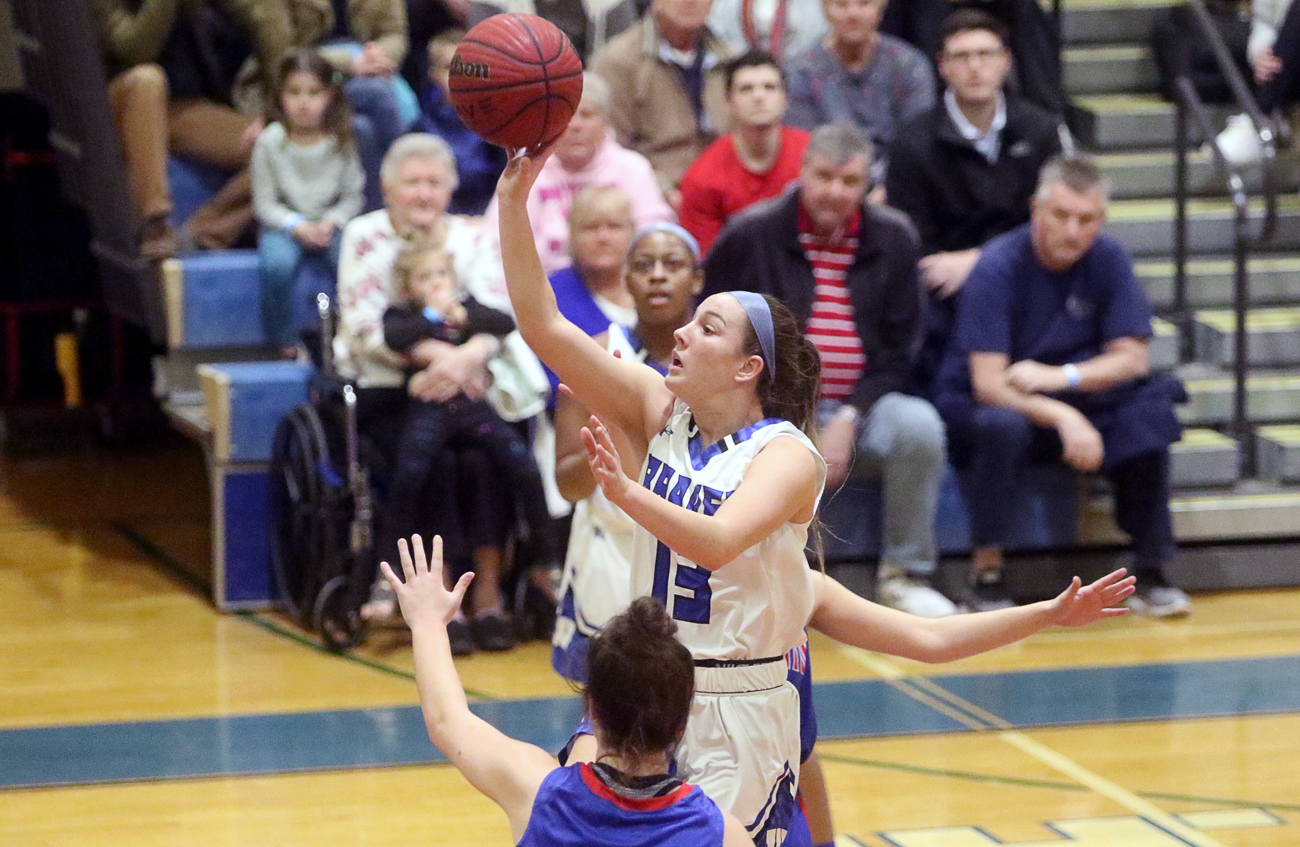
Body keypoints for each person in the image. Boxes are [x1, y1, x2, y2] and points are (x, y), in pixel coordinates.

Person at [704, 122, 957, 619]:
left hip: (863, 406)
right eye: (824, 177)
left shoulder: (895, 237)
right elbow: (713, 325)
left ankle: (904, 575)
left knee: (919, 426)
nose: (835, 192)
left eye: (849, 182)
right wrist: (795, 418)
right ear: (801, 173)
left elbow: (899, 351)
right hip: (765, 405)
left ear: (866, 186)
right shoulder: (751, 233)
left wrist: (848, 416)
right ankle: (753, 577)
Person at [931, 155, 1193, 619]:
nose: (1072, 231)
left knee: (1148, 414)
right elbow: (988, 383)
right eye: (1061, 216)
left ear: (1101, 220)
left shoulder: (1109, 259)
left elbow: (1132, 358)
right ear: (1036, 210)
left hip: (1074, 391)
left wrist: (1064, 379)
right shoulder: (997, 265)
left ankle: (1151, 570)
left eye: (1086, 220)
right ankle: (987, 572)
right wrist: (1064, 416)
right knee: (1000, 427)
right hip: (1002, 401)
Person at [383, 534, 753, 846]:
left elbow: (446, 721)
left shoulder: (540, 794)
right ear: (683, 722)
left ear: (591, 709)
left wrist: (427, 622)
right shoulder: (721, 832)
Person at [334, 133, 513, 640]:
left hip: (466, 382)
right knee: (438, 462)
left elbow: (499, 315)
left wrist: (465, 360)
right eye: (411, 182)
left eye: (434, 182)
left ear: (451, 188)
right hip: (388, 387)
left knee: (484, 459)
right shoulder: (364, 235)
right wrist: (441, 358)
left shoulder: (472, 236)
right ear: (387, 188)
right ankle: (442, 600)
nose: (423, 193)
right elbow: (363, 329)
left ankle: (489, 596)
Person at [367, 238, 555, 651]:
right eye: (425, 277)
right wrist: (434, 315)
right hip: (430, 408)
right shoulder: (406, 315)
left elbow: (503, 322)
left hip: (472, 410)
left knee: (522, 465)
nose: (436, 283)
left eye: (441, 274)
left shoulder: (467, 311)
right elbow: (395, 335)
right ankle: (386, 573)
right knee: (411, 473)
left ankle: (545, 562)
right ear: (409, 288)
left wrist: (463, 324)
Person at [886, 9, 1061, 395]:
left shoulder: (1040, 130)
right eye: (962, 57)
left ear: (1006, 61)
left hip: (1025, 273)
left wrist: (982, 260)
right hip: (941, 283)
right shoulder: (912, 142)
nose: (975, 67)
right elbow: (908, 233)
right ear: (943, 66)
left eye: (986, 54)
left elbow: (1050, 220)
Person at [479, 73, 673, 275]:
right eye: (564, 116)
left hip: (620, 280)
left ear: (606, 122)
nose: (575, 126)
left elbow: (652, 238)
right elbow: (498, 244)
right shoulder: (526, 169)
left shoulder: (633, 168)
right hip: (541, 283)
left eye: (586, 115)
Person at [252, 48, 365, 353]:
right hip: (286, 224)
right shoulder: (270, 141)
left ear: (330, 96)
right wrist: (298, 226)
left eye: (314, 93)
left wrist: (331, 222)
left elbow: (352, 196)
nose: (304, 102)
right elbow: (264, 204)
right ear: (280, 96)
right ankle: (283, 339)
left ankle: (351, 331)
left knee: (351, 261)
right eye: (294, 92)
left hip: (331, 222)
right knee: (277, 266)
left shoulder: (342, 138)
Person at [590, 0, 739, 207]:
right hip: (650, 193)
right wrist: (660, 190)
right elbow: (608, 147)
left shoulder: (732, 59)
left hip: (728, 189)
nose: (691, 2)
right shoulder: (618, 62)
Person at [784, 0, 934, 184]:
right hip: (827, 182)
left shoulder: (909, 65)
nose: (853, 14)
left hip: (898, 181)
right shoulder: (801, 70)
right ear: (825, 11)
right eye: (841, 5)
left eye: (864, 4)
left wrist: (887, 187)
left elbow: (918, 140)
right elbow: (802, 143)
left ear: (880, 11)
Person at [678, 49, 810, 256]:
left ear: (785, 98)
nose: (759, 96)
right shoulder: (702, 178)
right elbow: (707, 261)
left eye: (769, 87)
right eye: (746, 89)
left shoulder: (813, 157)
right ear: (728, 102)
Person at [881, 0, 1067, 120]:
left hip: (1013, 118)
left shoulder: (1023, 11)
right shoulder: (910, 10)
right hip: (931, 118)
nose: (974, 65)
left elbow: (1042, 90)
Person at [413, 28, 507, 215]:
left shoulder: (501, 127)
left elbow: (507, 188)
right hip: (436, 218)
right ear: (433, 75)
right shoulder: (421, 128)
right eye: (449, 67)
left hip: (487, 218)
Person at [707, 0, 828, 67]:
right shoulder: (724, 4)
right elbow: (717, 30)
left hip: (802, 71)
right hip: (742, 69)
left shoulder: (814, 4)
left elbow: (820, 35)